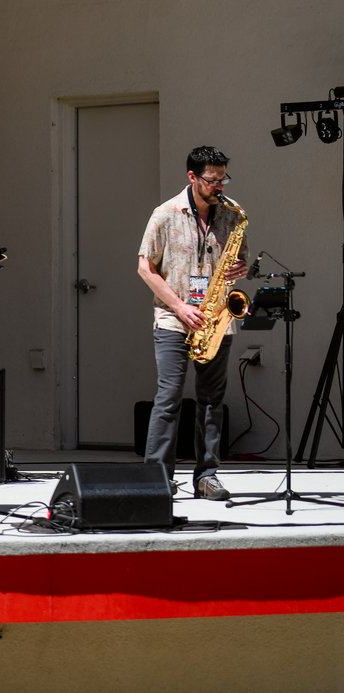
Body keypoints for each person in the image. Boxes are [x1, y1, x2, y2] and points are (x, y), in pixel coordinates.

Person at [137, 146, 247, 500]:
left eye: (222, 179)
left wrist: (240, 269)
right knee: (168, 398)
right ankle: (157, 477)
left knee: (212, 400)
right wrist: (180, 308)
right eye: (212, 180)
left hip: (215, 320)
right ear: (192, 177)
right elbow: (145, 268)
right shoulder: (166, 214)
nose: (219, 186)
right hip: (174, 318)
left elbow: (239, 262)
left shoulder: (231, 216)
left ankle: (208, 476)